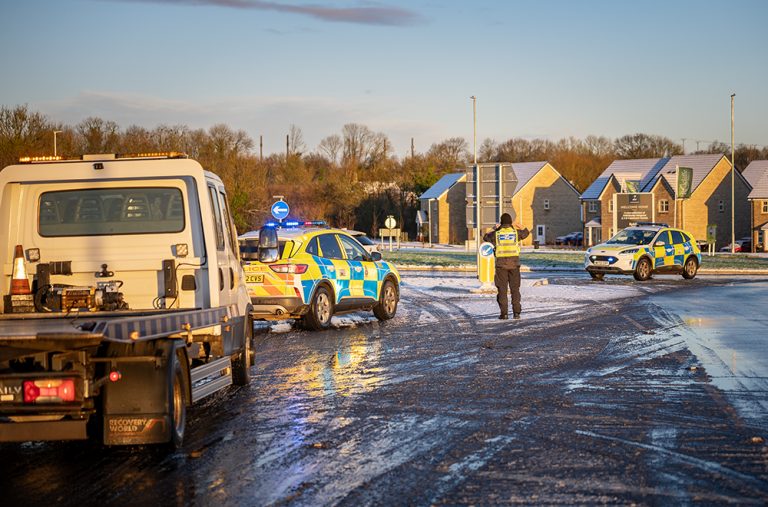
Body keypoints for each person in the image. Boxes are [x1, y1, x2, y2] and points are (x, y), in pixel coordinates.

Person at [483, 213, 529, 320]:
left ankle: (504, 314)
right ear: (510, 222)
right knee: (515, 289)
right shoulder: (516, 233)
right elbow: (526, 232)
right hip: (514, 265)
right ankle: (516, 313)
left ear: (501, 222)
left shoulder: (496, 234)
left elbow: (485, 237)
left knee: (502, 290)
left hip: (501, 266)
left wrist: (494, 228)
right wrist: (520, 225)